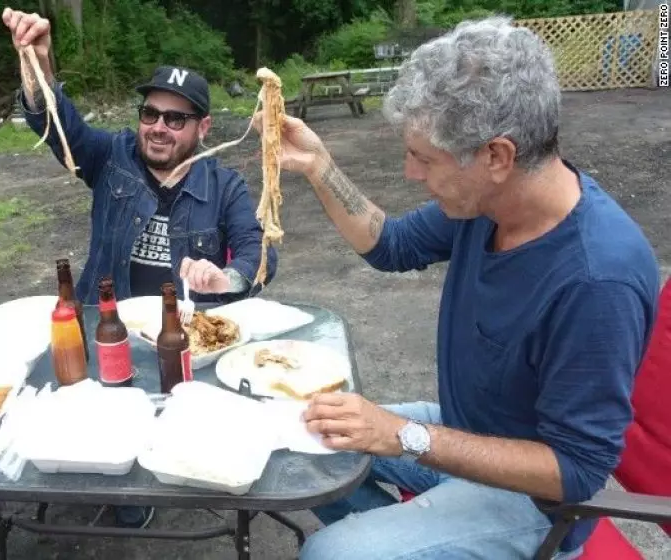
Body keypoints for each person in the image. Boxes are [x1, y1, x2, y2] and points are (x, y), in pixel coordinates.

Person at [251, 16, 660, 560]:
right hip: (467, 430)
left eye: (423, 158)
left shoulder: (597, 279)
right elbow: (390, 245)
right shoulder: (488, 204)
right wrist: (318, 165)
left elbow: (578, 471)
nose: (410, 173)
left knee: (331, 554)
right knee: (305, 438)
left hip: (533, 504)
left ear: (497, 156)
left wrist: (404, 436)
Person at [1, 7, 278, 307]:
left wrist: (226, 278)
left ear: (203, 128)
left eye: (175, 119)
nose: (158, 128)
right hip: (108, 328)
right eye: (150, 114)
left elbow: (258, 251)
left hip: (189, 336)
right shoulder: (111, 156)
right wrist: (38, 64)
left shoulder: (225, 187)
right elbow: (58, 127)